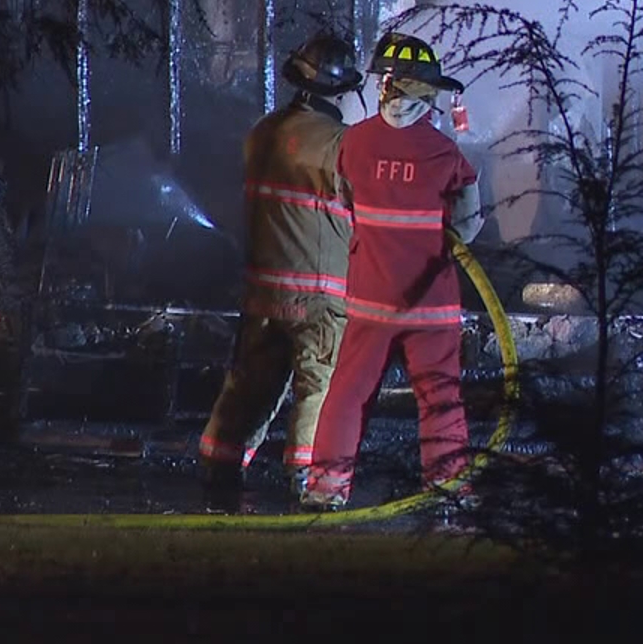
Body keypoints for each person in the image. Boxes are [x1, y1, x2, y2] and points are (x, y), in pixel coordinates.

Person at [302, 32, 484, 512]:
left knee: (348, 392)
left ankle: (325, 487)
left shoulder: (354, 143)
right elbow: (469, 225)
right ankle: (447, 488)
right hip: (430, 304)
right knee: (440, 396)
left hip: (368, 300)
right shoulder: (445, 153)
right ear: (422, 91)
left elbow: (345, 200)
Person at [198, 31, 365, 502]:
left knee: (250, 382)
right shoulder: (341, 145)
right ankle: (312, 483)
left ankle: (218, 466)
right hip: (320, 294)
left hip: (263, 289)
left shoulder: (262, 132)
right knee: (319, 387)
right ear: (340, 91)